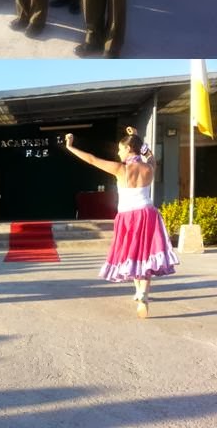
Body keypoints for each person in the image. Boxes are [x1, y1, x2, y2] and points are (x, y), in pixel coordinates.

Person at [63, 129, 178, 317]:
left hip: (128, 217)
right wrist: (139, 138)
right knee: (146, 255)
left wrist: (70, 147)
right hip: (148, 214)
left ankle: (139, 292)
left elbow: (91, 159)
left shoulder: (120, 169)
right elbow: (150, 156)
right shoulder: (149, 167)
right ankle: (143, 293)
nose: (118, 153)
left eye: (120, 149)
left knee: (133, 254)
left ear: (127, 148)